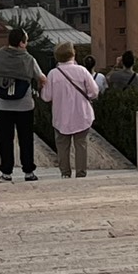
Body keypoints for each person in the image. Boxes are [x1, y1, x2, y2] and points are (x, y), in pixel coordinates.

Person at [0, 27, 45, 183]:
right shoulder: (28, 59)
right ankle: (28, 171)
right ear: (21, 43)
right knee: (26, 139)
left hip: (2, 105)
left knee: (5, 139)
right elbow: (41, 78)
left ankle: (6, 171)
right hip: (24, 106)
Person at [42, 43, 98, 179]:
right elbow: (94, 92)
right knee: (81, 145)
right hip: (81, 114)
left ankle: (65, 173)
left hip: (61, 117)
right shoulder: (82, 71)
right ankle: (81, 173)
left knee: (62, 145)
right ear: (73, 54)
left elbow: (46, 97)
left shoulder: (53, 74)